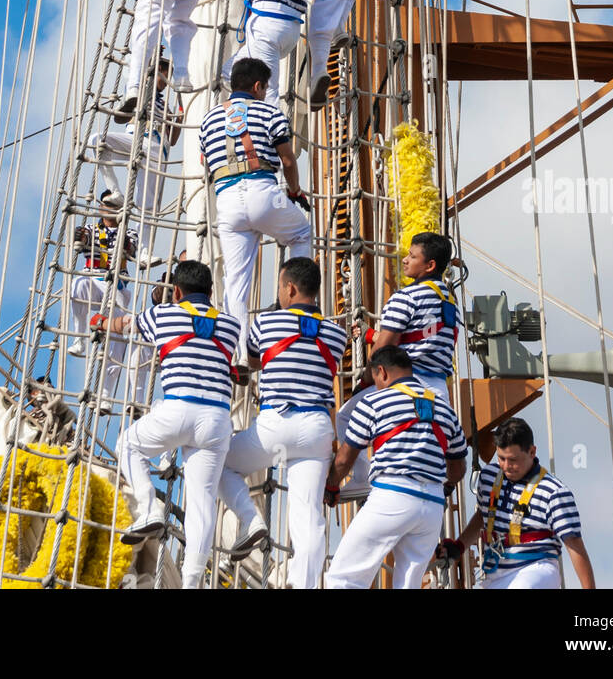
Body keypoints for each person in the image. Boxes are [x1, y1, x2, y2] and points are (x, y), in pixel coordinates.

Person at [107, 260, 241, 589]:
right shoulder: (231, 325)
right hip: (216, 419)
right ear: (211, 293)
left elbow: (125, 325)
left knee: (129, 444)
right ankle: (192, 582)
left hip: (178, 409)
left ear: (177, 291)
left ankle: (148, 508)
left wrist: (101, 321)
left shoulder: (162, 315)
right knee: (202, 500)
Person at [217, 257, 347, 587]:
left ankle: (251, 520)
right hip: (317, 429)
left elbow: (253, 357)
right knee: (308, 520)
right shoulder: (336, 335)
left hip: (276, 424)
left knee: (218, 463)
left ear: (289, 288)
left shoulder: (267, 324)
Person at [323, 346, 468, 590]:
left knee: (342, 578)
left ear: (381, 372)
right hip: (432, 506)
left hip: (392, 495)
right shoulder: (446, 410)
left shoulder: (374, 401)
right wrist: (444, 487)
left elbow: (344, 459)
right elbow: (458, 467)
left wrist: (331, 487)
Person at [335, 232, 457, 498]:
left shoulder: (407, 297)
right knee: (427, 450)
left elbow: (385, 349)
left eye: (412, 256)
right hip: (438, 390)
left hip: (404, 383)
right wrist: (370, 334)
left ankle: (362, 477)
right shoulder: (449, 301)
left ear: (430, 265)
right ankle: (435, 491)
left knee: (345, 416)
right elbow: (421, 338)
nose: (404, 260)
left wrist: (365, 381)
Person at [200, 56, 312, 343]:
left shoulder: (208, 119)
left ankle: (236, 351)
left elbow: (205, 159)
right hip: (262, 191)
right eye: (265, 88)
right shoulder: (270, 113)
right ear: (258, 86)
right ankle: (297, 310)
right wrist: (295, 190)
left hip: (226, 201)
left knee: (236, 283)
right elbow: (287, 160)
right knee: (301, 232)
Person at [436, 417, 596, 589]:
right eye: (501, 458)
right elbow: (483, 517)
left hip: (536, 569)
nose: (506, 466)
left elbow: (575, 547)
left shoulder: (553, 493)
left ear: (532, 452)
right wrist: (459, 546)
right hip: (496, 571)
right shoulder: (489, 477)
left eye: (513, 460)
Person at [68, 202, 149, 414]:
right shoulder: (91, 229)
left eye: (114, 205)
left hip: (116, 287)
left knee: (117, 342)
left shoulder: (129, 231)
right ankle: (79, 339)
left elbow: (129, 247)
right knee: (76, 287)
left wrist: (124, 242)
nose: (109, 208)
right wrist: (81, 238)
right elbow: (83, 240)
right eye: (106, 204)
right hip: (93, 280)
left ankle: (105, 397)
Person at [90, 56, 181, 214]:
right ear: (158, 71)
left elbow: (172, 140)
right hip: (135, 139)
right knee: (97, 140)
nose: (167, 84)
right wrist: (153, 56)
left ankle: (144, 239)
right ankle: (115, 191)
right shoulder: (137, 90)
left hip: (156, 149)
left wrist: (179, 117)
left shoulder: (164, 105)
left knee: (147, 205)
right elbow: (139, 72)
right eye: (167, 76)